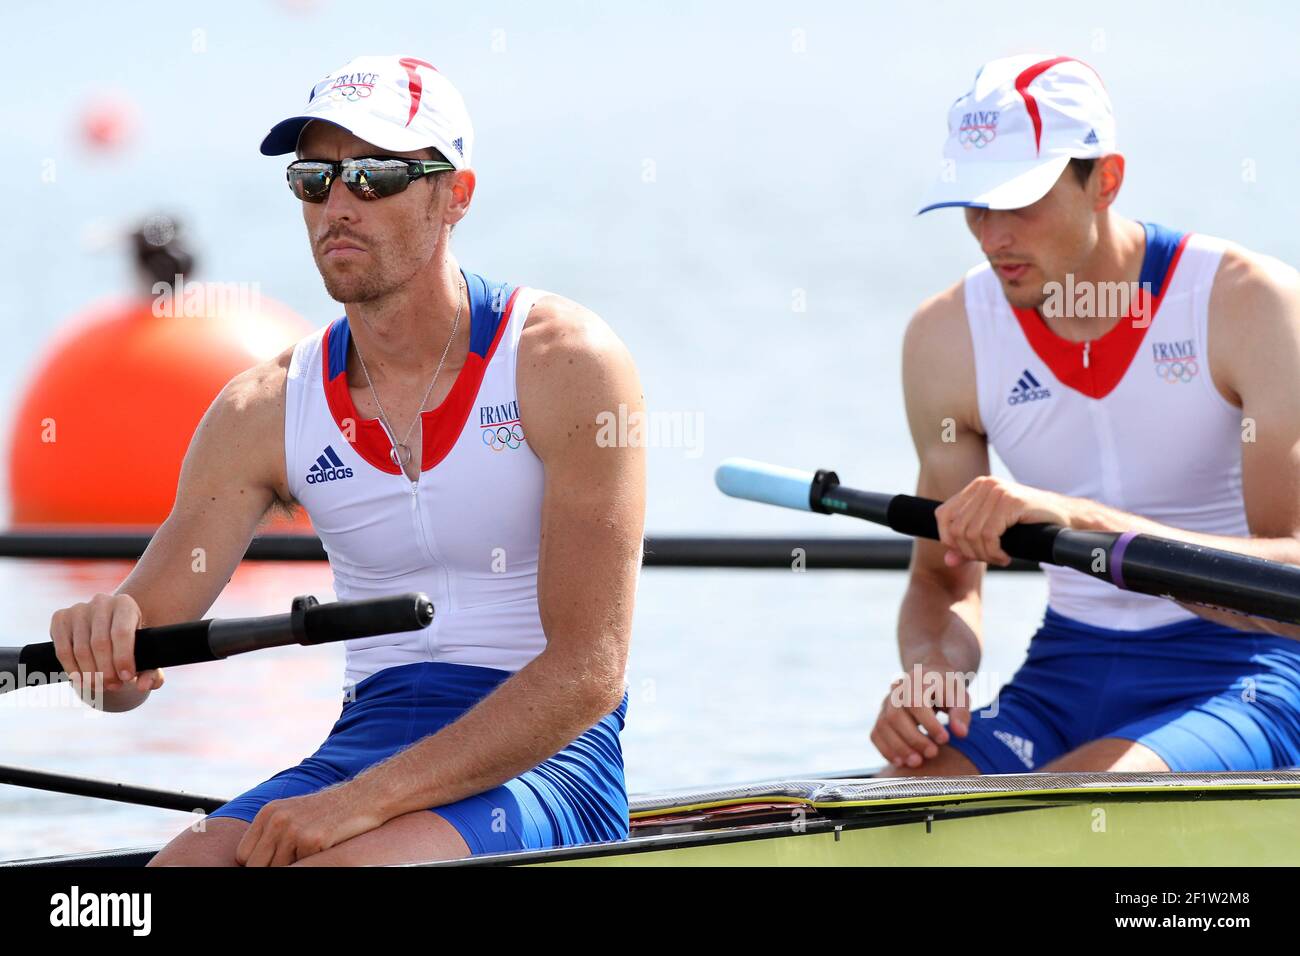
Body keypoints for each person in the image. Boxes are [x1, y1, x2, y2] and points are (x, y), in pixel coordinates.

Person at [48, 54, 646, 865]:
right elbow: (125, 680)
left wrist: (356, 809)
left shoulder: (566, 365)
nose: (338, 204)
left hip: (547, 763)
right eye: (314, 179)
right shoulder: (261, 411)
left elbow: (588, 673)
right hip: (366, 742)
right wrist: (100, 647)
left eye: (371, 176)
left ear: (454, 195)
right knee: (168, 879)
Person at [872, 53, 1300, 777]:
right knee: (907, 800)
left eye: (1019, 201)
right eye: (975, 204)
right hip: (1065, 676)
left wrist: (1082, 517)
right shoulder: (945, 337)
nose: (991, 234)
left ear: (1105, 180)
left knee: (1077, 799)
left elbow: (1292, 583)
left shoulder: (1248, 305)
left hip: (1247, 673)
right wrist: (933, 670)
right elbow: (943, 584)